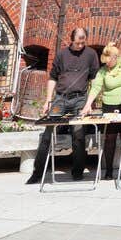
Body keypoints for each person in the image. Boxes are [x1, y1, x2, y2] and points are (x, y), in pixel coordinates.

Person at [27, 27, 99, 184]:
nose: (80, 45)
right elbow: (52, 77)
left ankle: (77, 171)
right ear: (71, 39)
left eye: (83, 42)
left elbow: (94, 79)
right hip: (60, 99)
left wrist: (90, 102)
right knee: (48, 133)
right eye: (78, 42)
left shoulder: (91, 54)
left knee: (79, 134)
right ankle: (37, 173)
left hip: (80, 99)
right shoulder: (62, 55)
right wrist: (48, 100)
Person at [80, 42, 121, 181]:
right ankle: (108, 171)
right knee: (110, 138)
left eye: (109, 62)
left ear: (116, 57)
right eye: (105, 62)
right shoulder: (102, 71)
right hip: (109, 106)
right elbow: (95, 88)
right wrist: (88, 104)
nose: (107, 65)